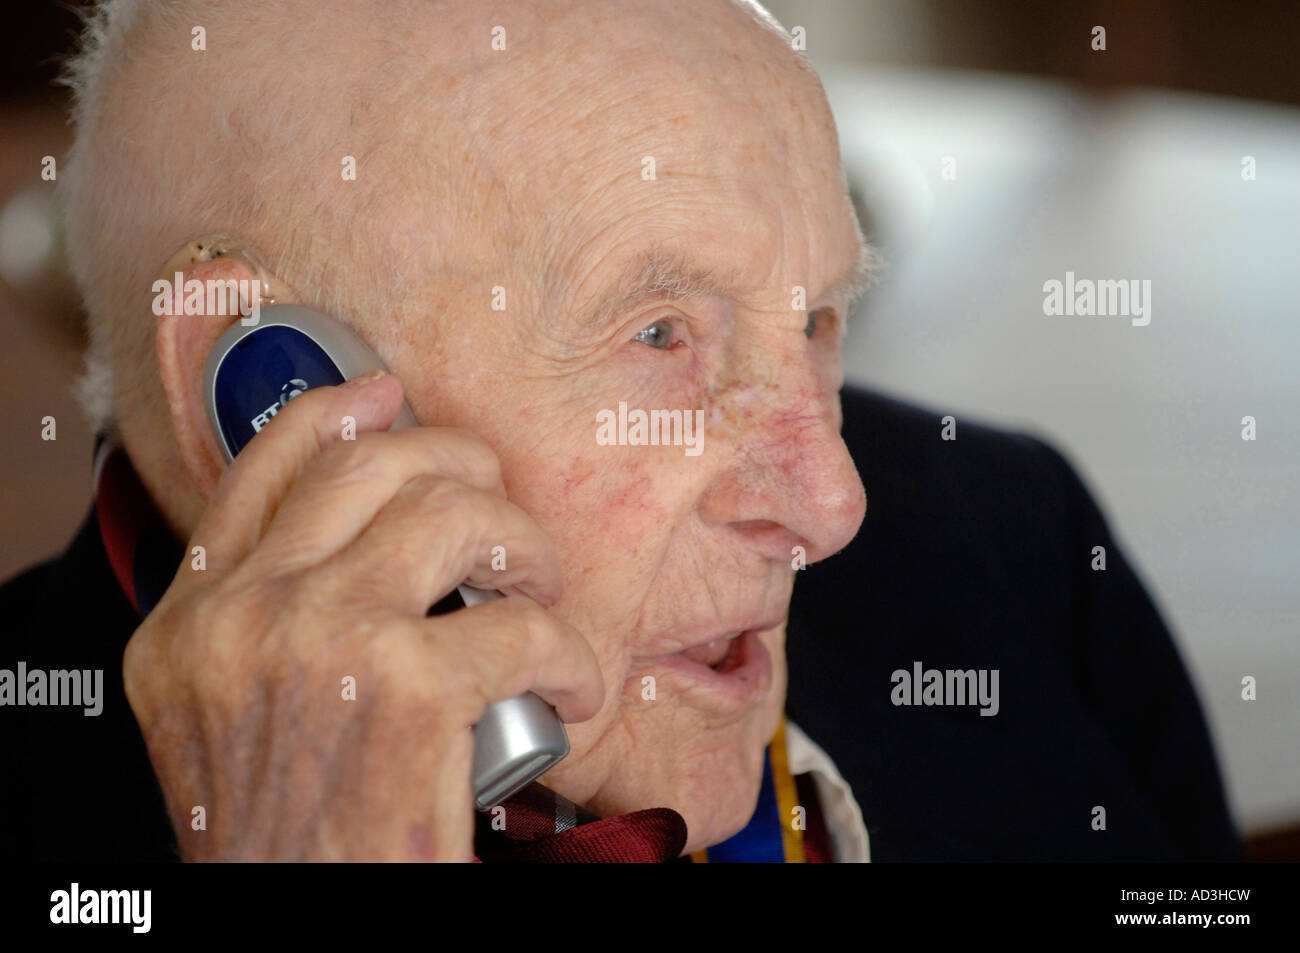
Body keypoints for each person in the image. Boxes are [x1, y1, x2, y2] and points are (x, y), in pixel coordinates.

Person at [0, 0, 1239, 862]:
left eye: (814, 316)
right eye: (659, 336)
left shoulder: (1014, 539)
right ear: (272, 391)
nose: (832, 504)